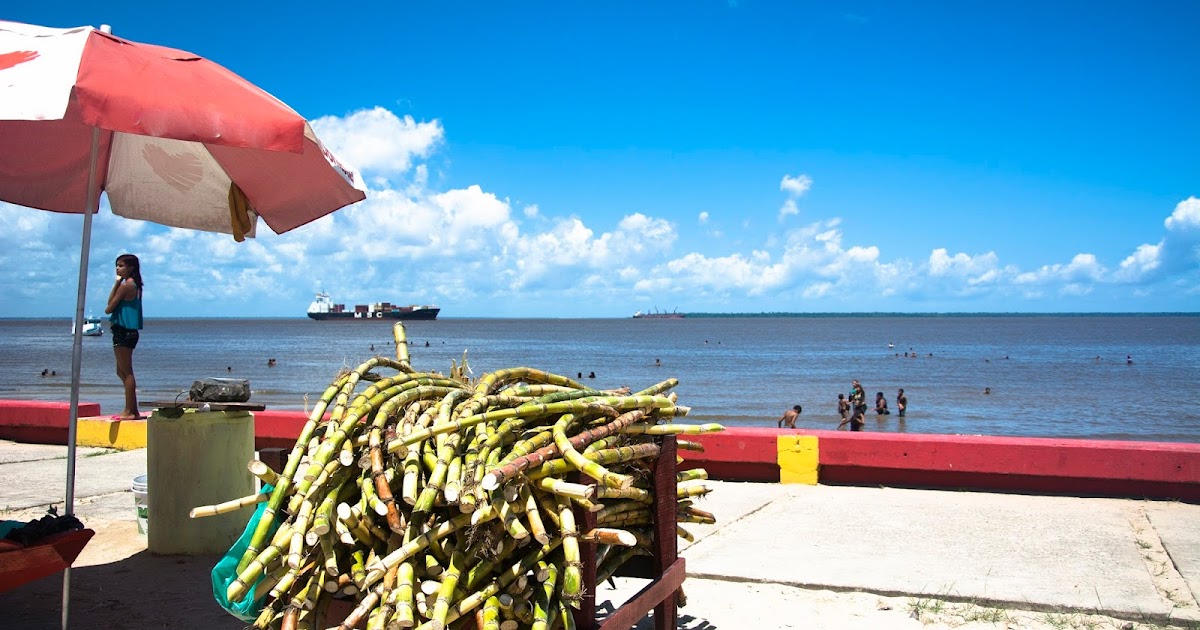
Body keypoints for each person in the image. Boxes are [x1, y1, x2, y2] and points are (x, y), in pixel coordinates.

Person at [104, 253, 143, 420]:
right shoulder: (133, 285)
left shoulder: (128, 285)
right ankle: (133, 409)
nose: (118, 269)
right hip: (127, 332)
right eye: (117, 265)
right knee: (121, 371)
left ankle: (129, 411)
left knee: (126, 372)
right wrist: (117, 281)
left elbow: (109, 307)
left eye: (121, 266)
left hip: (123, 331)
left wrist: (117, 283)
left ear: (131, 268)